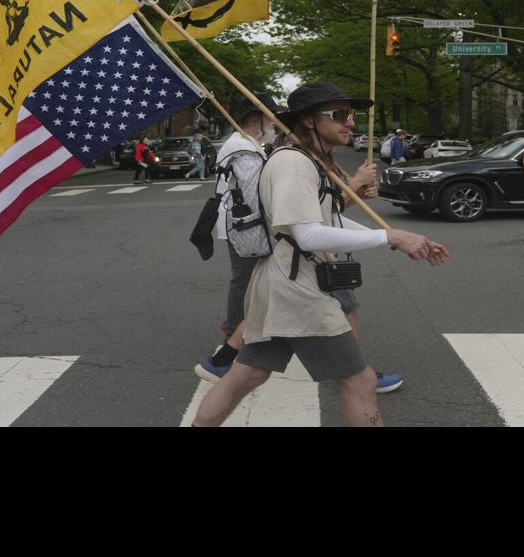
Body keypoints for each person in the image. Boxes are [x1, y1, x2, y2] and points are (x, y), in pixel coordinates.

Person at [192, 82, 450, 428]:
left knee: (247, 375)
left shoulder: (310, 162)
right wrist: (389, 234)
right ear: (309, 121)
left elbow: (329, 219)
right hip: (300, 289)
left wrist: (399, 240)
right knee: (360, 381)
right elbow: (307, 235)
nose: (350, 123)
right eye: (339, 115)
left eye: (351, 115)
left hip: (283, 283)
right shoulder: (293, 163)